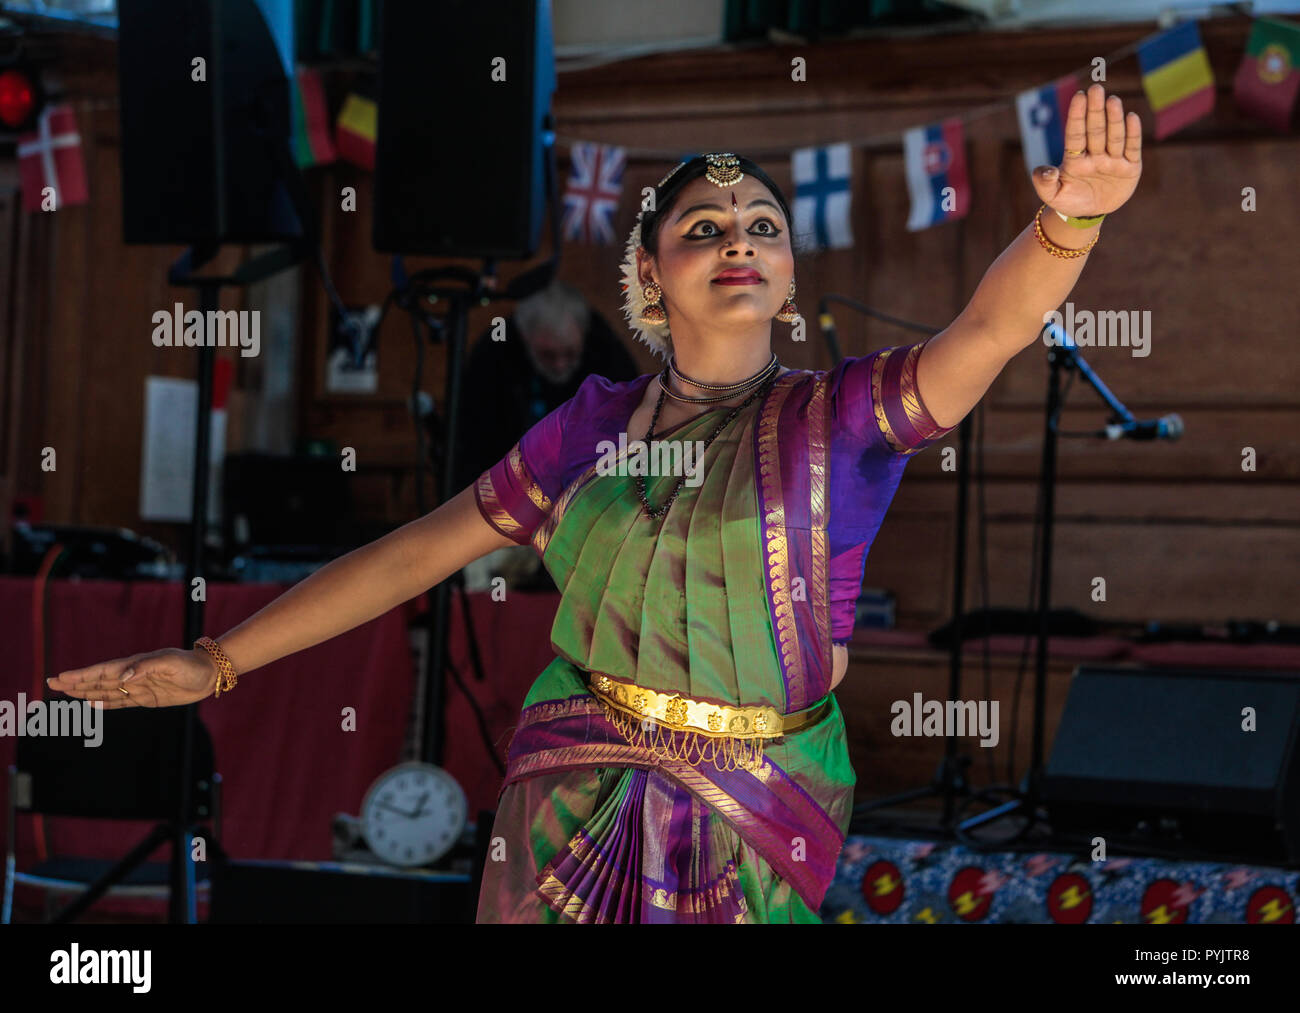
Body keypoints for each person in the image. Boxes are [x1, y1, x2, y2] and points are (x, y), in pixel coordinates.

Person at [48, 85, 1143, 923]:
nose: (738, 243)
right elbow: (413, 554)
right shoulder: (588, 425)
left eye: (762, 225)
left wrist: (1065, 233)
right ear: (650, 277)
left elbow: (988, 333)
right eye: (704, 229)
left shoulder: (840, 414)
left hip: (756, 800)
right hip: (572, 786)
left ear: (791, 275)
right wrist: (222, 658)